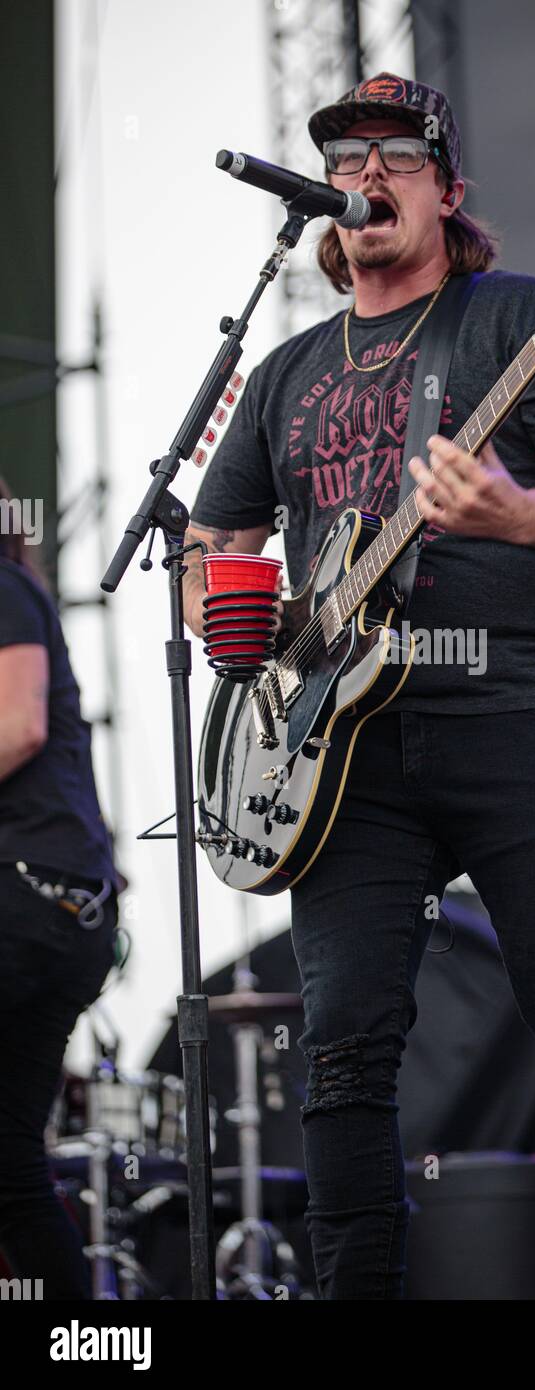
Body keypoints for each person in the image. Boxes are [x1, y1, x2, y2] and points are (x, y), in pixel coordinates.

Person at [182, 73, 535, 1300]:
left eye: (395, 155)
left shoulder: (520, 321)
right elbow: (215, 544)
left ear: (446, 189)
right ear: (326, 200)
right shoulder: (281, 373)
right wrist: (236, 624)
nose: (366, 171)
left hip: (513, 716)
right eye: (345, 156)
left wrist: (513, 510)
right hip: (335, 758)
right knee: (343, 1057)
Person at [0, 477, 120, 1299]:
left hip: (30, 896)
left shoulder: (2, 586)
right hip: (66, 907)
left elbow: (20, 725)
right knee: (9, 1171)